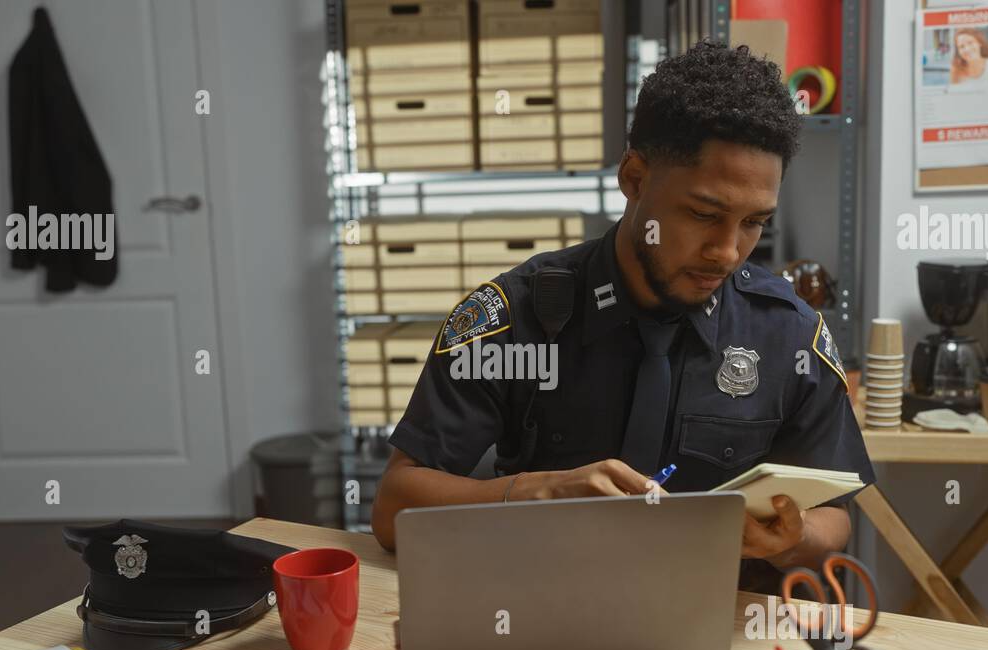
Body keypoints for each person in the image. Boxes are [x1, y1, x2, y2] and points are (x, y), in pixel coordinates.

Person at [371, 41, 876, 594]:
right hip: (541, 611)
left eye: (754, 222)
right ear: (635, 178)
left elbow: (836, 516)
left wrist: (793, 537)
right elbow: (395, 507)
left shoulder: (789, 335)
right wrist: (539, 493)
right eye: (704, 215)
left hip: (719, 630)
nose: (728, 252)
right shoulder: (512, 318)